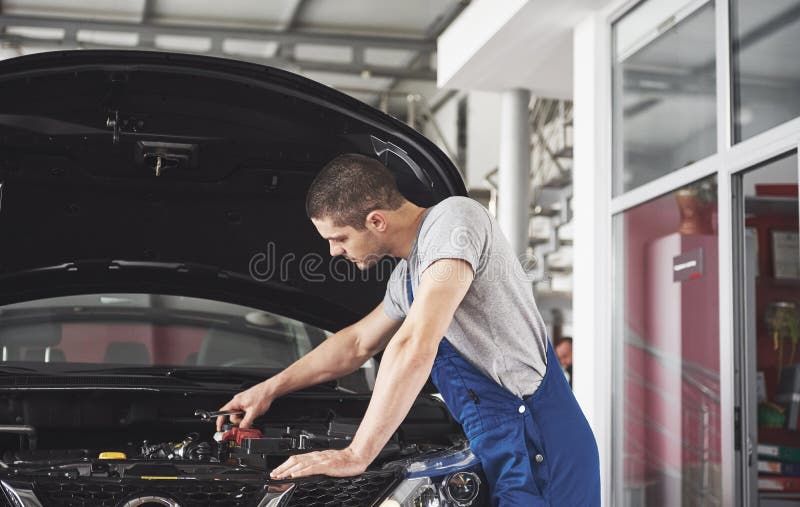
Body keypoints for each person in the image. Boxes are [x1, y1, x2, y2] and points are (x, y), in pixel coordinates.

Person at [216, 153, 600, 505]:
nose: (334, 251)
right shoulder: (408, 276)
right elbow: (355, 344)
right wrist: (268, 389)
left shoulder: (454, 219)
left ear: (376, 221)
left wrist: (357, 453)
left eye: (339, 238)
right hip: (499, 442)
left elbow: (416, 342)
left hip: (537, 438)